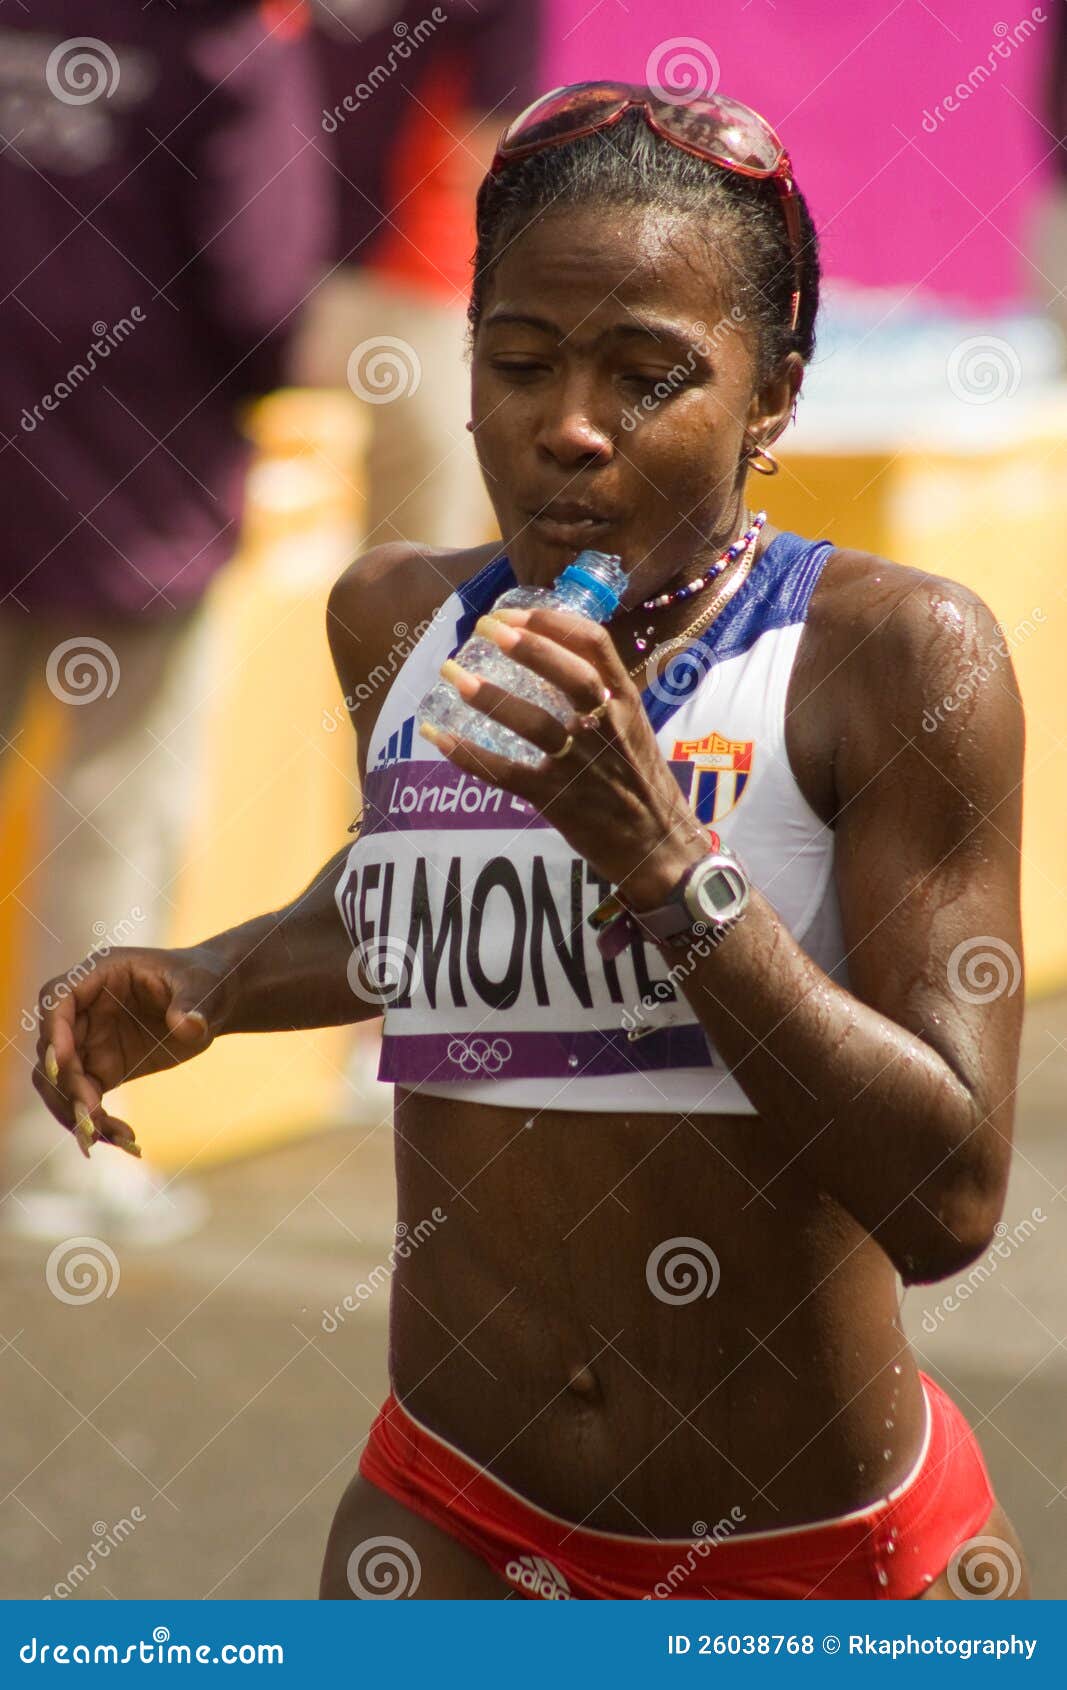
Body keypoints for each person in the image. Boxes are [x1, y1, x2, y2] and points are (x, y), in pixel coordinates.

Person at [32, 84, 1029, 1600]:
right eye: (517, 362)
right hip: (447, 1514)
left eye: (647, 376)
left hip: (813, 1556)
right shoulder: (395, 615)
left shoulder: (890, 659)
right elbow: (417, 911)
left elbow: (945, 1197)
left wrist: (666, 866)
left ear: (771, 397)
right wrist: (214, 975)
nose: (568, 424)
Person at [0, 1, 326, 1241]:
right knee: (112, 818)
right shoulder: (220, 29)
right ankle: (58, 1145)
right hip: (134, 483)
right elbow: (260, 279)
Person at [292, 0, 540, 551]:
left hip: (409, 275)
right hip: (258, 262)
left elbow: (477, 157)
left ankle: (415, 632)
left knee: (445, 452)